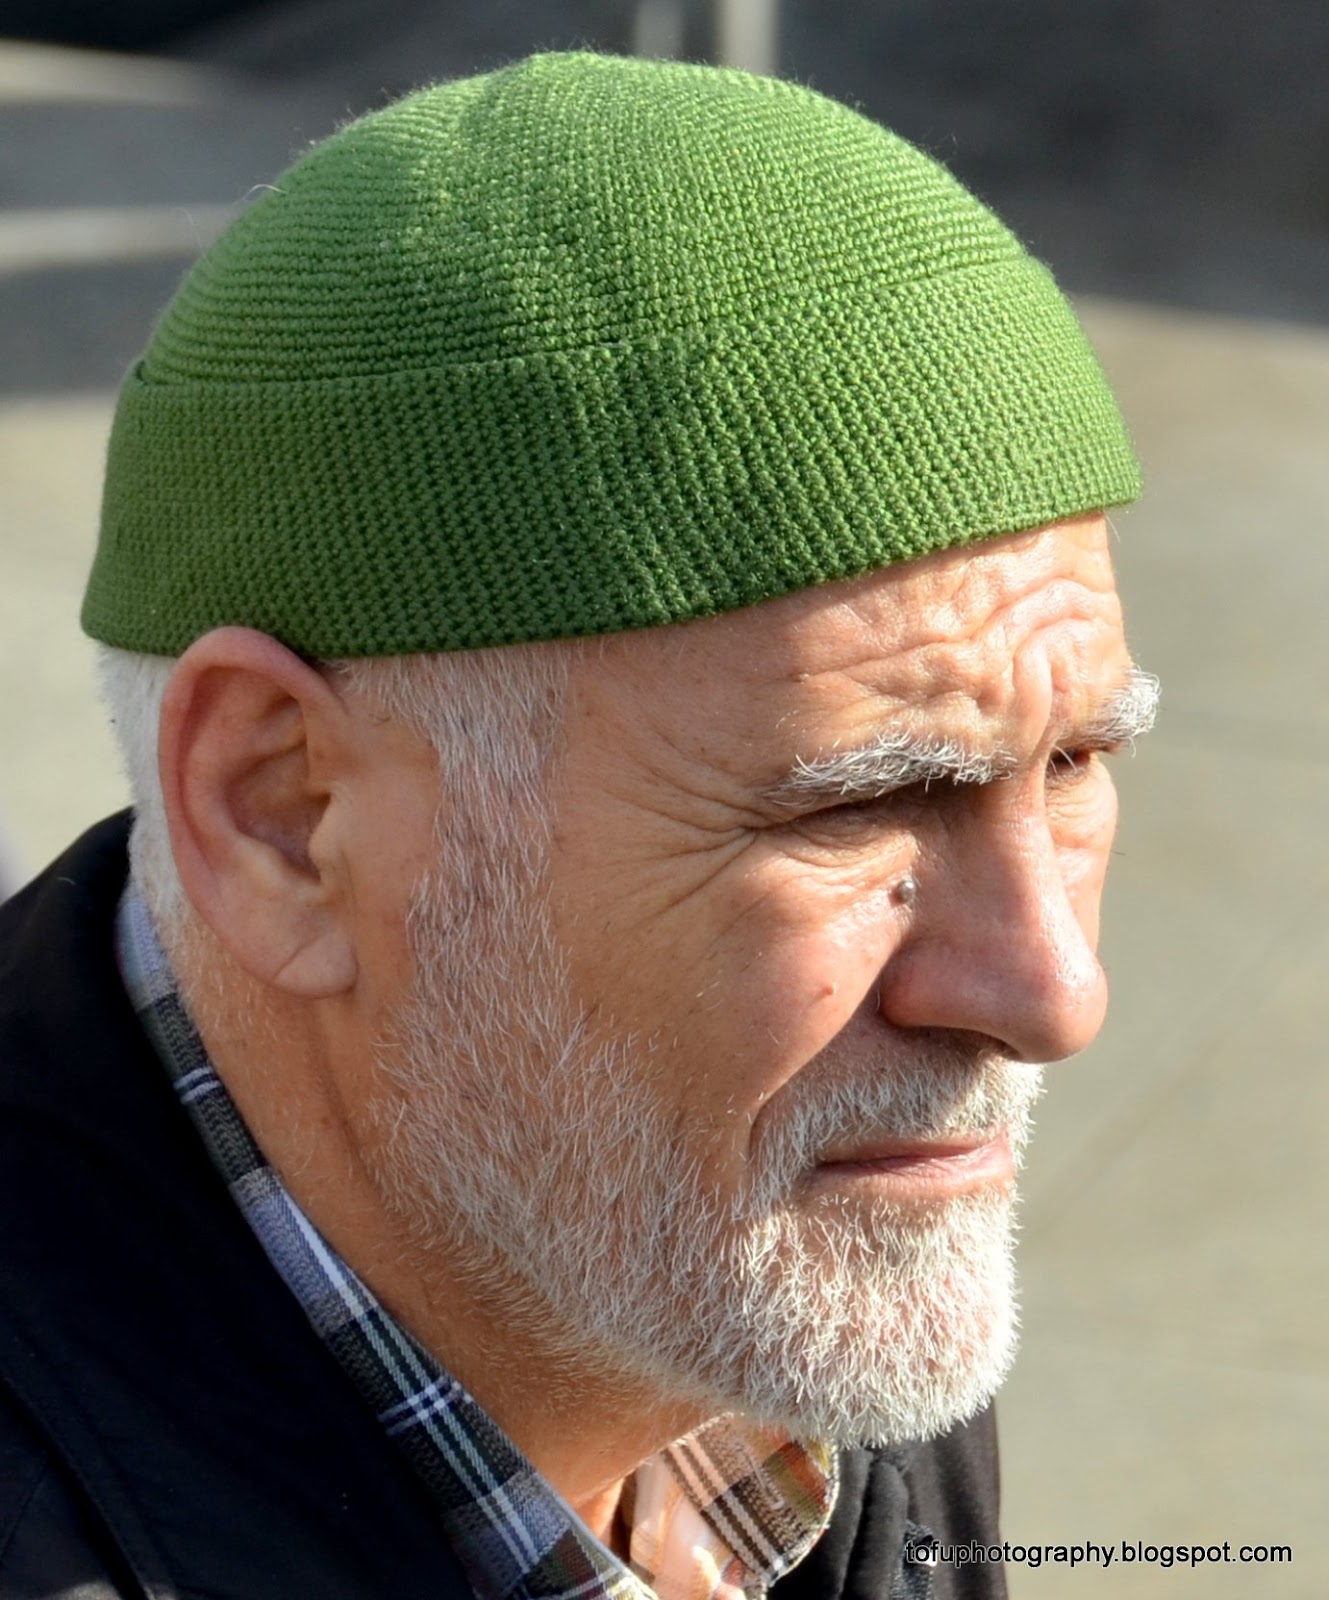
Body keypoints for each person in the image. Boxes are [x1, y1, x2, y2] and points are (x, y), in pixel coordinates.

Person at [0, 51, 1155, 1600]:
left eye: (1073, 759)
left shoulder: (744, 1252)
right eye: (859, 805)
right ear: (284, 816)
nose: (1045, 992)